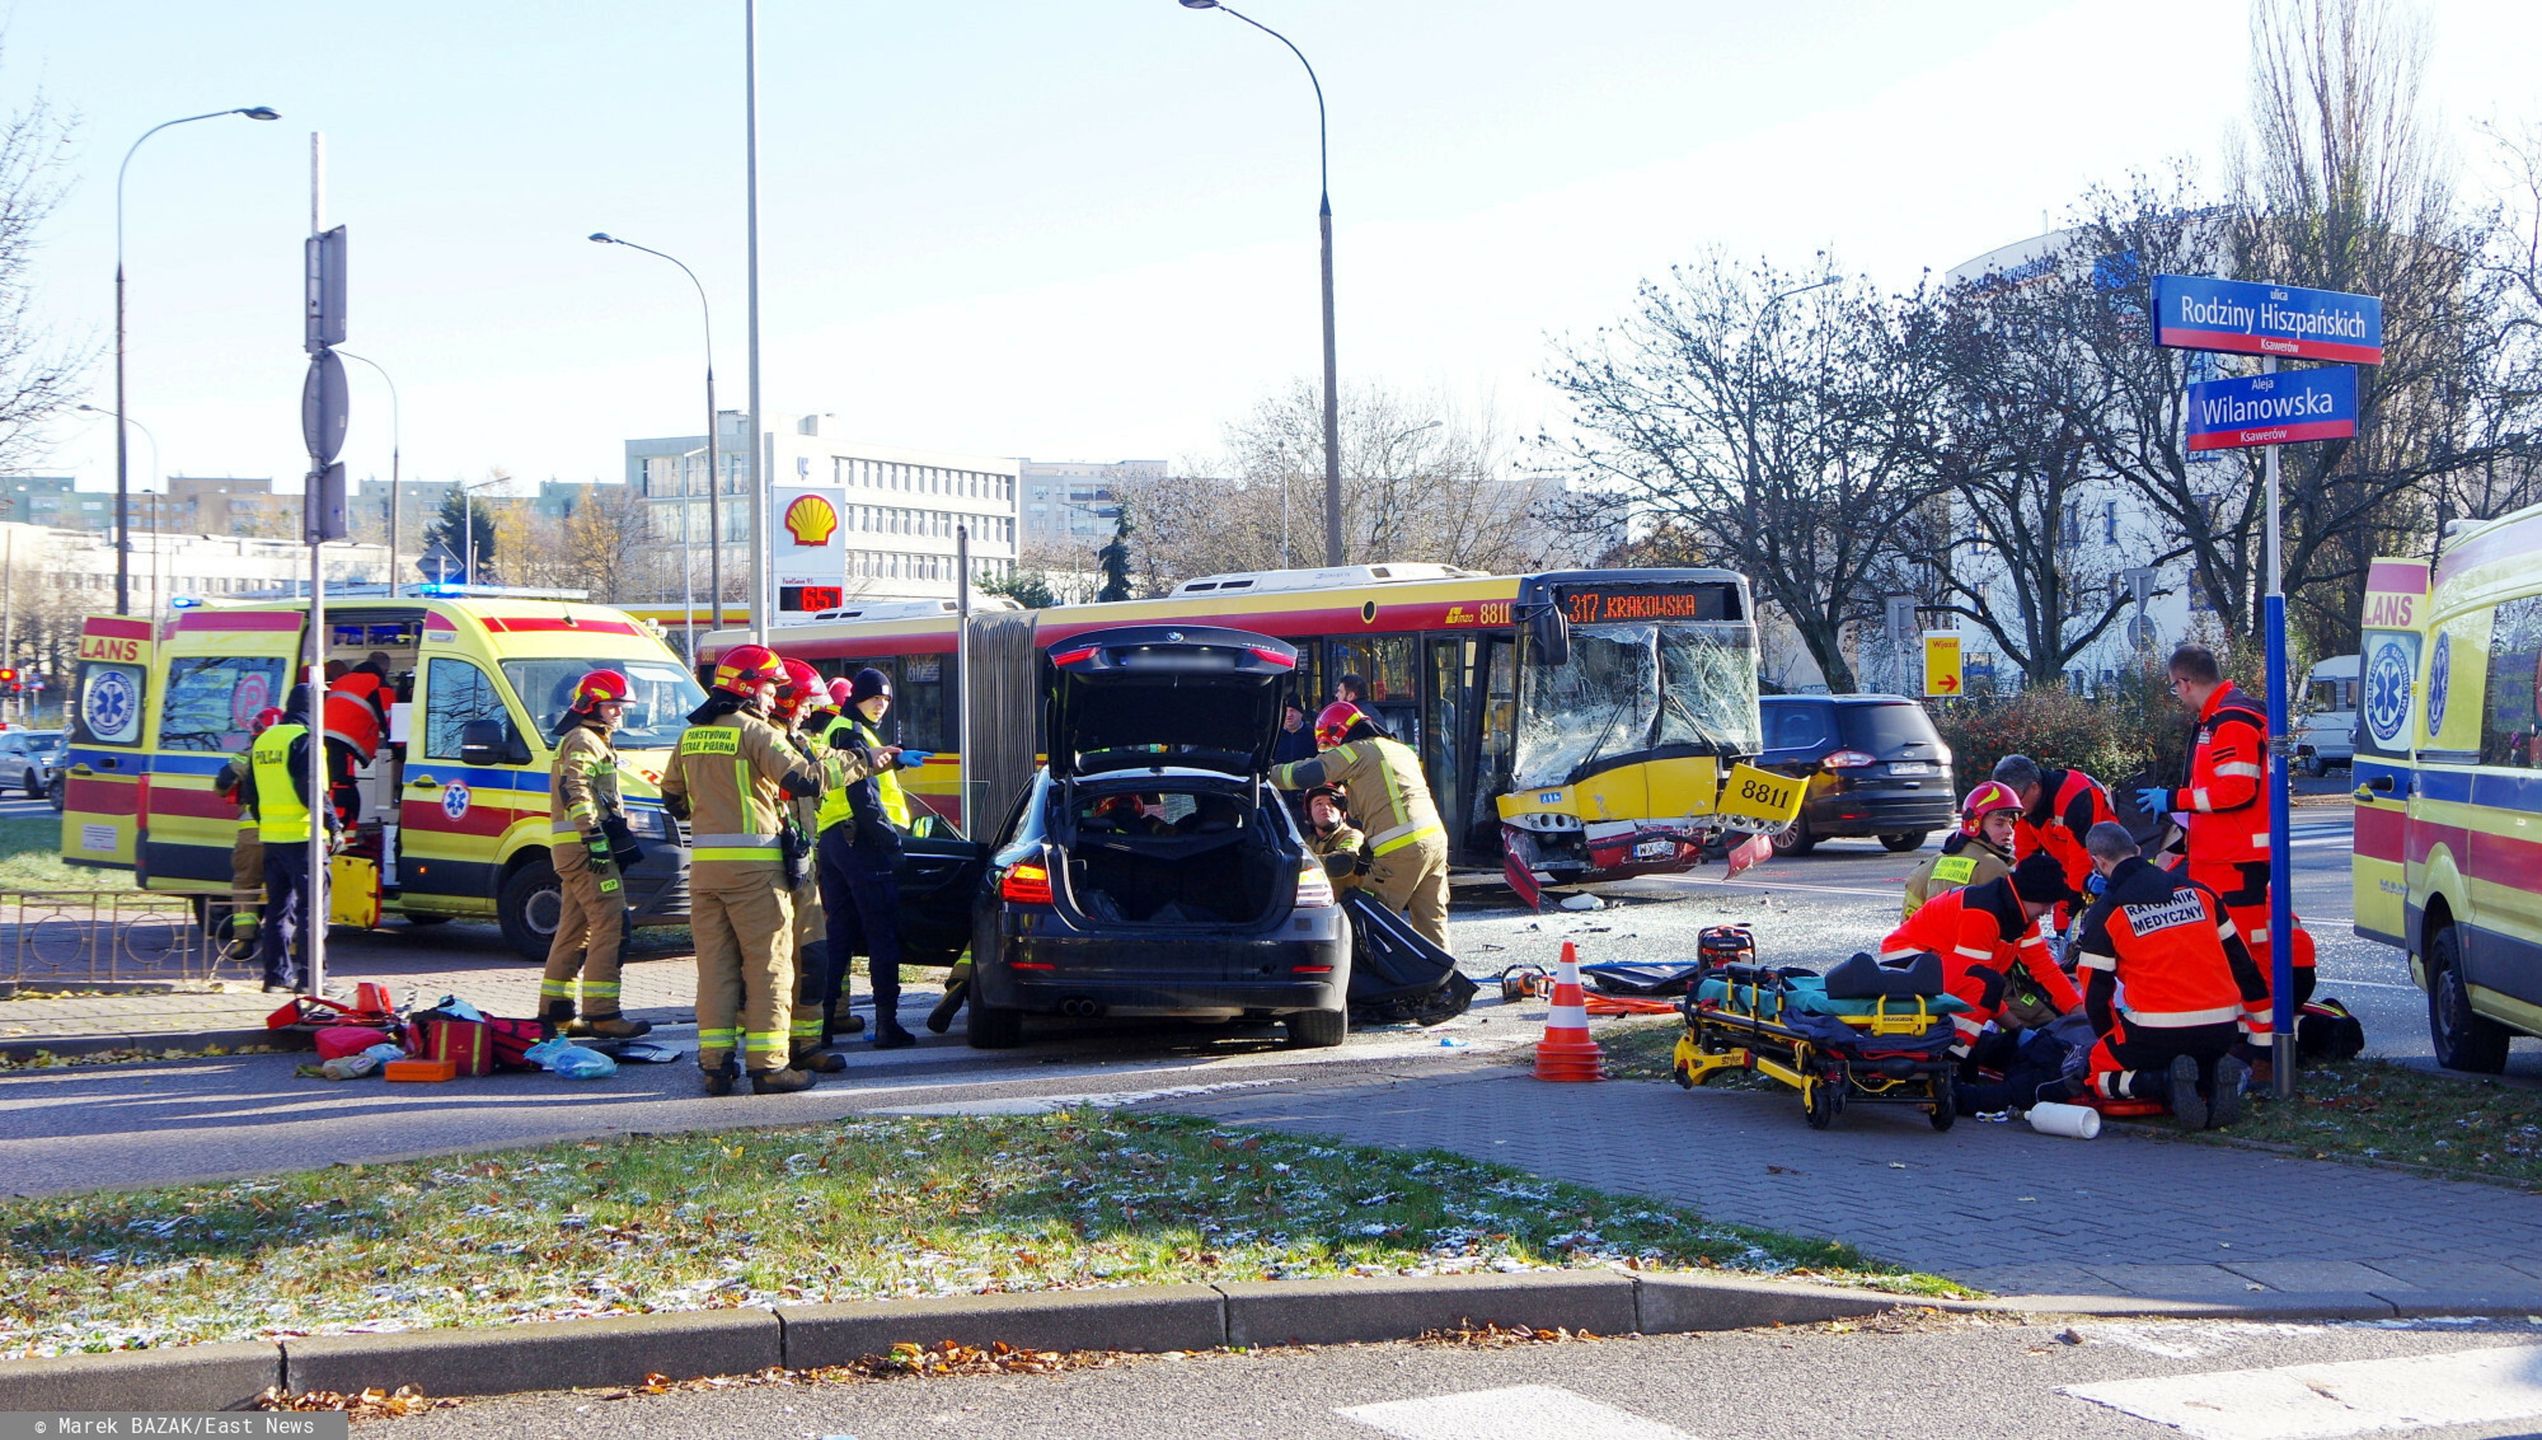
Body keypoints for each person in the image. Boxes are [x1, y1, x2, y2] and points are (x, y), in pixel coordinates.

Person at [662, 644, 875, 1095]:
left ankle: (715, 1067)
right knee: (769, 967)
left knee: (718, 970)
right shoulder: (755, 732)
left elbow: (673, 799)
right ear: (748, 686)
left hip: (705, 874)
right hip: (756, 872)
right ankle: (770, 1067)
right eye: (767, 687)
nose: (770, 697)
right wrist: (863, 762)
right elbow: (804, 779)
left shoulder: (691, 736)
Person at [2072, 822, 2264, 1128]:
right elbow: (2243, 965)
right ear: (2137, 850)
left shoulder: (2107, 913)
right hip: (2221, 1028)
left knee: (2098, 1073)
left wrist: (2111, 1036)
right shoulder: (2201, 893)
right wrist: (2257, 1042)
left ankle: (2164, 1083)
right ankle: (2209, 1082)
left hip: (2155, 1032)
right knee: (2196, 1060)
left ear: (2099, 862)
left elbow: (2095, 995)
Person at [2138, 644, 2276, 984]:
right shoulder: (2221, 718)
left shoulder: (2230, 722)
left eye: (2174, 687)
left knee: (2243, 951)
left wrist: (2175, 799)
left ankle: (2257, 1031)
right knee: (2230, 950)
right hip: (2224, 855)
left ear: (2184, 682)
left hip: (2234, 858)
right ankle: (2247, 1028)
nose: (2177, 695)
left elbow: (2237, 790)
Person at [1273, 701, 1448, 949]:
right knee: (1432, 922)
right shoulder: (1400, 750)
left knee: (1368, 920)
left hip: (1400, 849)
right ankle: (1443, 983)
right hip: (1435, 843)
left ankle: (1371, 983)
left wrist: (1265, 773)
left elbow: (1304, 774)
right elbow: (1393, 800)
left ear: (1337, 735)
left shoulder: (1356, 750)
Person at [540, 670, 652, 1040]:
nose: (619, 713)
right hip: (586, 849)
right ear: (592, 705)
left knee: (574, 930)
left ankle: (555, 1015)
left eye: (621, 707)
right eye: (613, 707)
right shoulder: (585, 740)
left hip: (575, 849)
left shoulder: (589, 738)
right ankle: (602, 1014)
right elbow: (576, 787)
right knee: (612, 923)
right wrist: (593, 835)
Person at [1879, 851, 2081, 1057]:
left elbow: (2045, 968)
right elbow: (1977, 983)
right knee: (1985, 984)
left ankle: (1956, 1050)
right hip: (1906, 964)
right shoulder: (1982, 914)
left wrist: (2079, 1011)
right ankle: (1949, 1056)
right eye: (2047, 903)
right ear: (2031, 894)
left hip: (1927, 962)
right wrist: (2017, 1029)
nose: (2048, 911)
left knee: (1986, 985)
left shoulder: (2021, 915)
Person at [816, 666, 923, 1050]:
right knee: (882, 935)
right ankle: (887, 1024)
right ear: (856, 697)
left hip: (834, 842)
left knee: (839, 937)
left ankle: (821, 1026)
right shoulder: (851, 731)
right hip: (861, 842)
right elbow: (863, 797)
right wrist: (891, 842)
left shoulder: (843, 729)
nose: (881, 705)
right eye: (874, 697)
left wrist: (895, 760)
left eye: (886, 699)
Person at [773, 657, 847, 1072]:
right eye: (803, 703)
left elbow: (829, 761)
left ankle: (806, 1044)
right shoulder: (765, 742)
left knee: (813, 957)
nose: (808, 712)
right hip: (771, 871)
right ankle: (767, 1049)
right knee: (771, 965)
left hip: (802, 867)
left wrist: (878, 758)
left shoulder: (798, 742)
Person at [239, 685, 337, 994]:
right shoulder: (305, 740)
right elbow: (310, 789)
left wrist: (268, 822)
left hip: (273, 839)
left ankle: (276, 978)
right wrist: (333, 824)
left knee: (278, 911)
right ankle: (311, 980)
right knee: (312, 910)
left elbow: (250, 796)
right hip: (304, 837)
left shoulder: (264, 740)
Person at [1992, 754, 2118, 929]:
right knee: (2062, 933)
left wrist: (2075, 899)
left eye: (2016, 799)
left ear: (2034, 787)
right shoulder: (2023, 805)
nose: (2013, 809)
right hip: (2068, 872)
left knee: (2098, 931)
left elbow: (2084, 855)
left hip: (2104, 872)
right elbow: (2026, 856)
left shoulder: (2076, 796)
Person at [212, 707, 284, 961]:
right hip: (288, 832)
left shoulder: (248, 756)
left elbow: (222, 784)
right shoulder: (295, 753)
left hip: (252, 831)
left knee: (246, 885)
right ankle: (292, 943)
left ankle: (243, 941)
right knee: (286, 889)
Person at [1901, 781, 2021, 920]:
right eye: (1999, 824)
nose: (2009, 830)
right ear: (1976, 823)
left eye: (2011, 823)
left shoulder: (1931, 865)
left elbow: (1907, 924)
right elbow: (2011, 928)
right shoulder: (1996, 869)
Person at [1301, 784, 1367, 891]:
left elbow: (1343, 862)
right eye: (1318, 803)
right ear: (1309, 814)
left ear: (1343, 813)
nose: (1325, 807)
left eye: (1331, 804)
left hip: (1345, 905)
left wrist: (1299, 864)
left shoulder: (1352, 835)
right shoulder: (1308, 841)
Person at [1271, 695, 1318, 767]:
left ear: (1301, 713)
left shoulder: (1313, 735)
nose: (1289, 715)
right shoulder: (1274, 737)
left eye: (1292, 710)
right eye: (1285, 711)